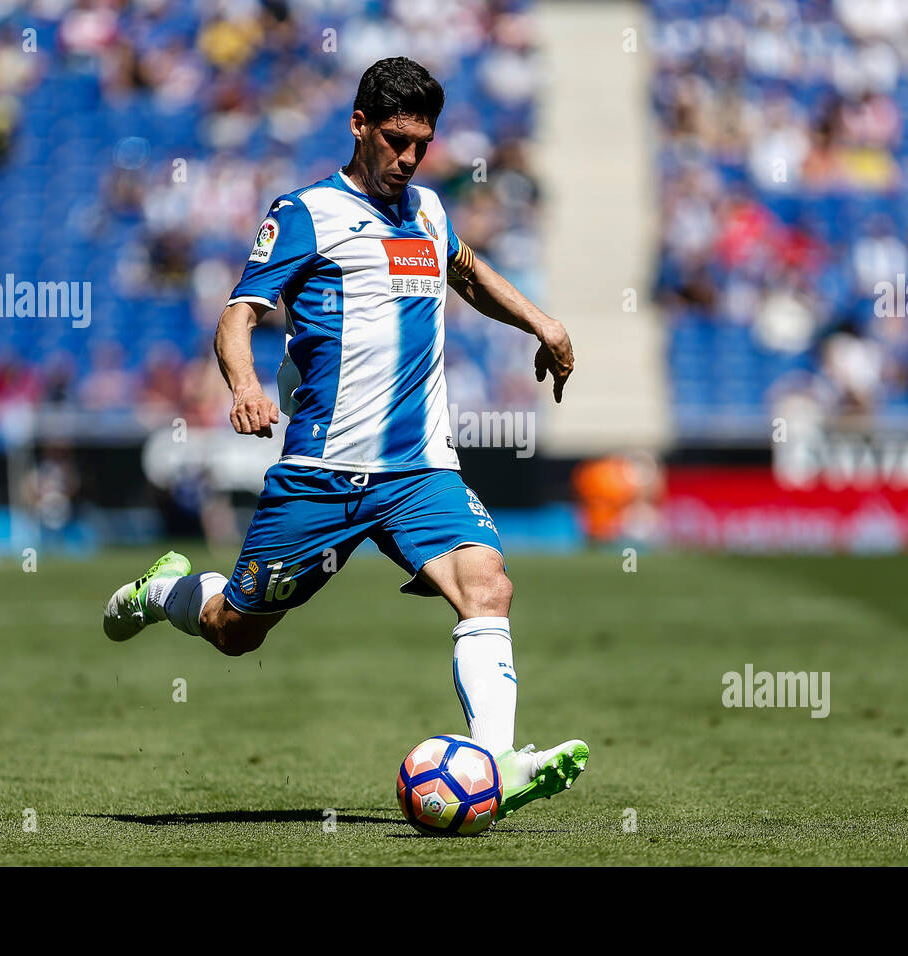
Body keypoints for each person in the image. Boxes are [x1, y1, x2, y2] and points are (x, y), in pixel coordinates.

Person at [103, 57, 586, 820]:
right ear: (359, 125)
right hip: (323, 472)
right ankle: (162, 588)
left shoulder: (427, 210)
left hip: (419, 468)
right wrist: (248, 386)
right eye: (395, 139)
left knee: (487, 584)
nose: (408, 157)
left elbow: (465, 270)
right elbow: (238, 314)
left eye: (421, 143)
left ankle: (495, 764)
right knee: (235, 632)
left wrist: (543, 322)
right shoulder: (305, 213)